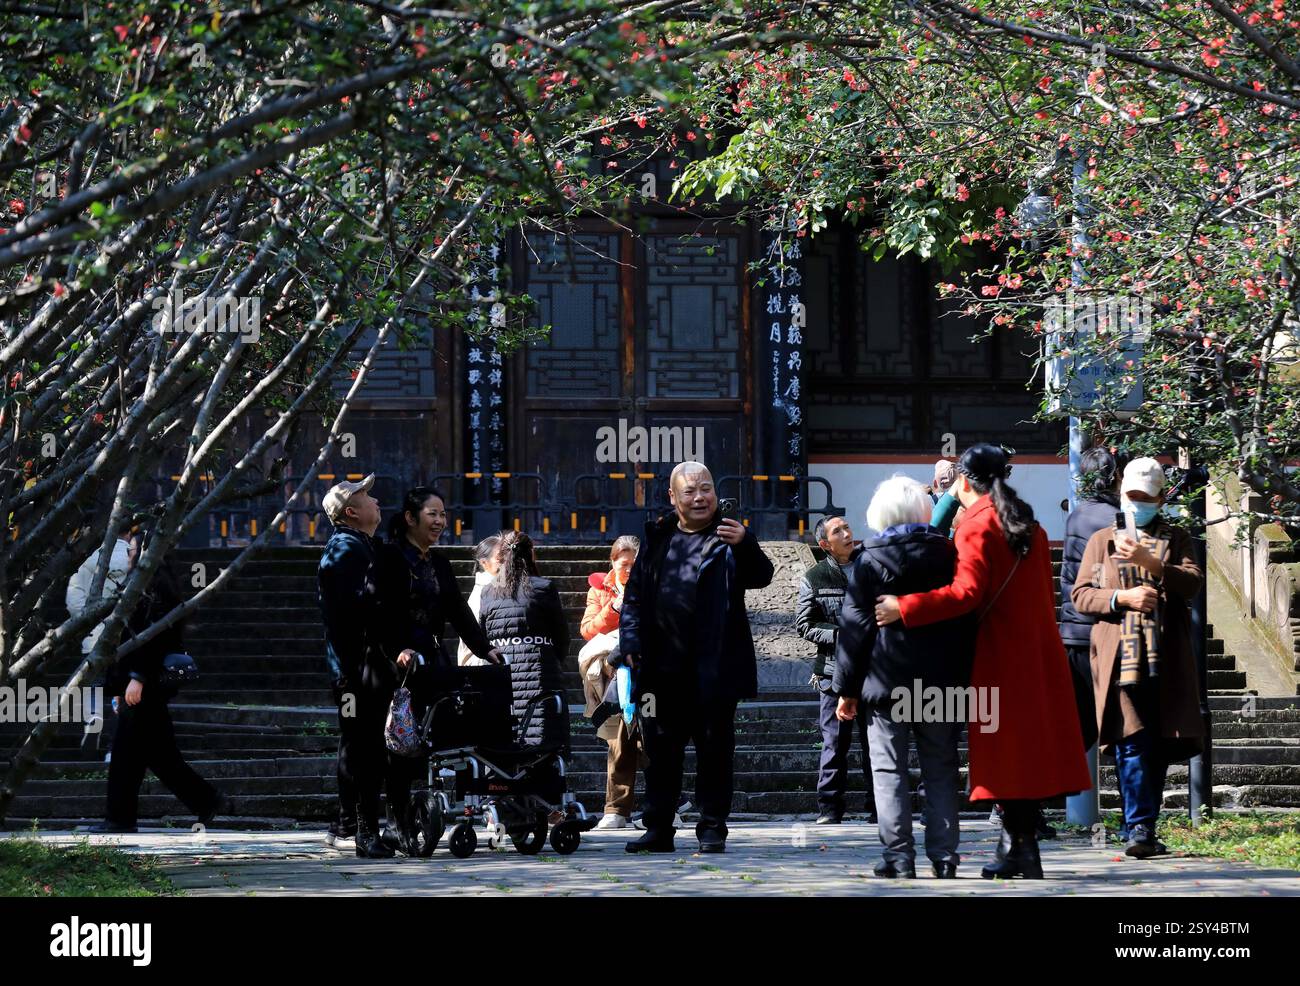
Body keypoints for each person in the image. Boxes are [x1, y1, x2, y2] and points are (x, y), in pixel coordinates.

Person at [875, 444, 1091, 879]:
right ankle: (1019, 850)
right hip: (1038, 654)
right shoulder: (1029, 524)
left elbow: (966, 593)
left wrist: (906, 607)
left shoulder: (977, 526)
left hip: (997, 655)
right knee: (1023, 753)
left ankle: (1018, 849)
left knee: (1004, 753)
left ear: (962, 480)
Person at [619, 460, 775, 854]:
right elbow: (635, 596)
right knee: (660, 753)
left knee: (714, 750)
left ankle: (712, 828)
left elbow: (761, 576)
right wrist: (631, 643)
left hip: (715, 667)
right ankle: (658, 829)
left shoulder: (729, 534)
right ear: (673, 497)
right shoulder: (658, 537)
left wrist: (746, 543)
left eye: (706, 488)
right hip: (661, 668)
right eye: (690, 491)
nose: (700, 497)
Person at [834, 476, 974, 878]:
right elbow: (965, 617)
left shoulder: (869, 560)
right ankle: (944, 857)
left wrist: (846, 688)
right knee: (941, 768)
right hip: (941, 682)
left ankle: (898, 856)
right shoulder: (949, 554)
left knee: (888, 770)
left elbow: (855, 628)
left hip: (885, 681)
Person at [1070, 456, 1205, 858]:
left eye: (1146, 497)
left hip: (1166, 656)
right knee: (1131, 738)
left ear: (1160, 499)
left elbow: (1192, 583)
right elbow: (1081, 596)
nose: (1138, 503)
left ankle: (1143, 824)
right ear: (1120, 493)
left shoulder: (1177, 537)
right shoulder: (1102, 540)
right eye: (1131, 495)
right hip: (1120, 658)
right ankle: (1139, 827)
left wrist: (1153, 564)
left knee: (1159, 742)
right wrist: (1121, 598)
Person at [376, 487, 501, 854]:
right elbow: (379, 612)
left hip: (432, 660)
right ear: (410, 518)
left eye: (443, 514)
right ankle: (395, 823)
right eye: (432, 513)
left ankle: (436, 810)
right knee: (400, 742)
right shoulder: (389, 558)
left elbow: (458, 612)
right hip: (398, 664)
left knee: (439, 736)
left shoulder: (440, 563)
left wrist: (484, 648)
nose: (440, 521)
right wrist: (396, 649)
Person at [91, 532, 225, 833]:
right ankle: (206, 800)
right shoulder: (148, 586)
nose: (129, 556)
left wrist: (136, 678)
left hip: (144, 683)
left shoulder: (154, 588)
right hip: (139, 683)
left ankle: (120, 818)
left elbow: (153, 639)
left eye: (132, 551)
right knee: (155, 756)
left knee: (131, 756)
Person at [317, 473, 392, 858]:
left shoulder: (359, 545)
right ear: (351, 511)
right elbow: (357, 612)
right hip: (355, 673)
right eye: (366, 496)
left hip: (355, 670)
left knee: (358, 742)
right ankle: (356, 826)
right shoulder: (347, 550)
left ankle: (347, 824)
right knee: (363, 744)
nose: (375, 501)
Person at [795, 515, 874, 825]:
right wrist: (841, 634)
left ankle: (879, 806)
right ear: (825, 544)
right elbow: (804, 624)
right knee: (834, 743)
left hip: (873, 671)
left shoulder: (871, 567)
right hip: (831, 672)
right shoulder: (815, 577)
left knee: (876, 743)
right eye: (837, 531)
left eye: (847, 527)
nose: (846, 533)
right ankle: (829, 808)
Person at [478, 531, 570, 762]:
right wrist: (550, 658)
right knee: (543, 747)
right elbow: (561, 636)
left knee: (506, 748)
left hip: (501, 679)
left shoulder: (488, 592)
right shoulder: (543, 587)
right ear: (531, 554)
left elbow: (482, 637)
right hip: (541, 675)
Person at [1059, 446, 1121, 753]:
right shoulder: (1120, 519)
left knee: (1079, 727)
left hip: (1074, 631)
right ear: (1116, 477)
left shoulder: (1076, 517)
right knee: (1120, 724)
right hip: (1109, 631)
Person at [580, 535, 644, 830]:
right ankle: (616, 808)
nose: (629, 570)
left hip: (647, 671)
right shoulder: (600, 590)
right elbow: (588, 629)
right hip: (614, 677)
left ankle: (666, 804)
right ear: (612, 562)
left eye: (634, 564)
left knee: (652, 739)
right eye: (623, 564)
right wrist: (615, 607)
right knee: (619, 740)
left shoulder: (652, 585)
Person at [65, 524, 134, 751]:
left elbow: (73, 600)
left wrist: (87, 619)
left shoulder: (89, 561)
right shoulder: (135, 561)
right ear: (128, 534)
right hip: (126, 636)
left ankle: (93, 719)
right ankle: (116, 743)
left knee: (92, 685)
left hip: (94, 635)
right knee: (122, 687)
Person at [458, 535, 501, 665]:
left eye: (509, 557)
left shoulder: (499, 588)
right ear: (484, 563)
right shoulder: (482, 594)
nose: (507, 562)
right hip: (482, 663)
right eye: (500, 558)